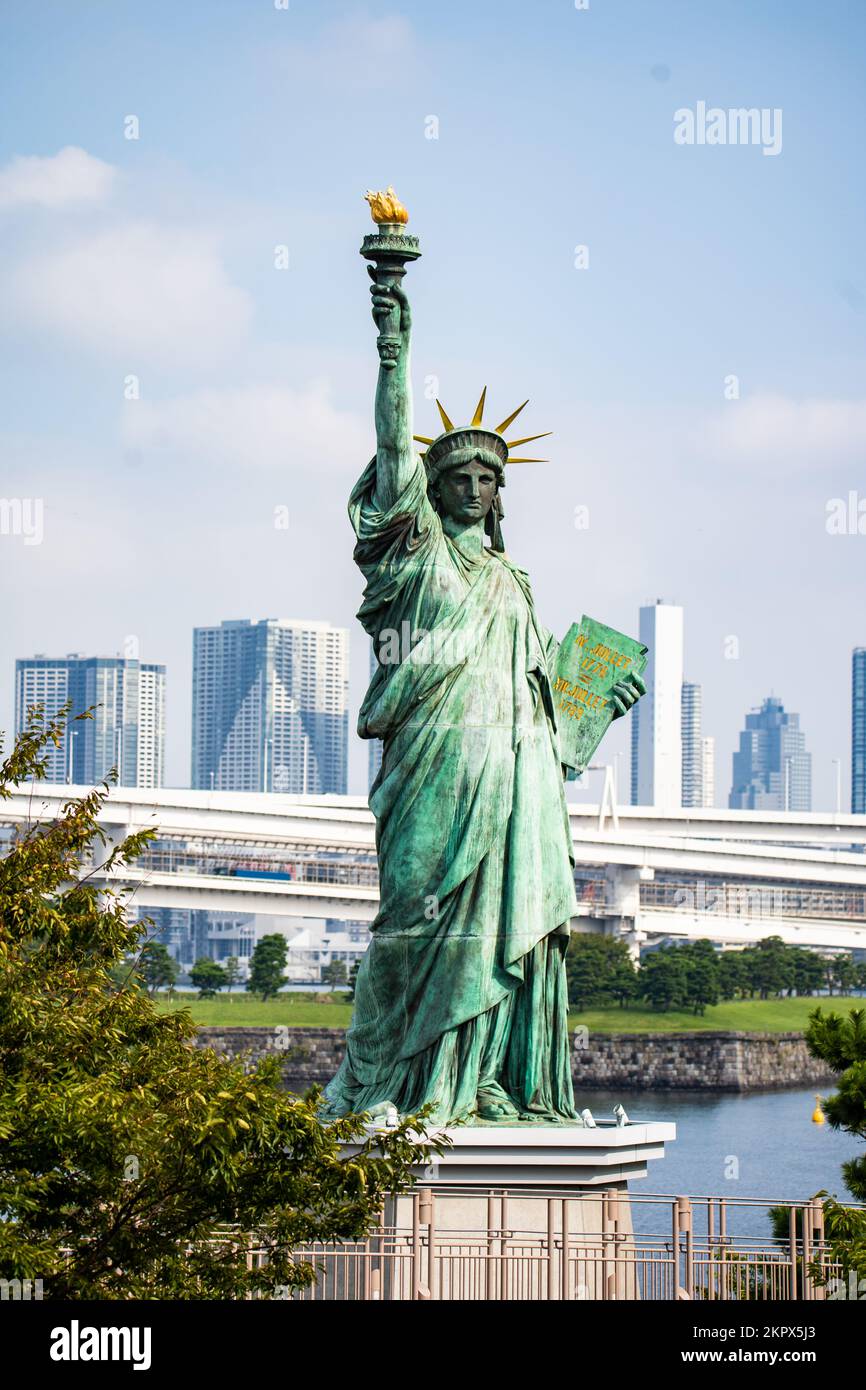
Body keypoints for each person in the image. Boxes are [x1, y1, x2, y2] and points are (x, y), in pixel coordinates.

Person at [323, 271, 643, 1125]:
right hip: (433, 768)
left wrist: (600, 698)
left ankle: (489, 1081)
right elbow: (395, 451)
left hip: (511, 781)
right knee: (411, 928)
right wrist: (393, 347)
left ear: (502, 495)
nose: (474, 486)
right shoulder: (413, 556)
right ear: (433, 491)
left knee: (507, 923)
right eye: (459, 474)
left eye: (488, 478)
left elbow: (544, 702)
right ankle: (395, 1081)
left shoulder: (514, 582)